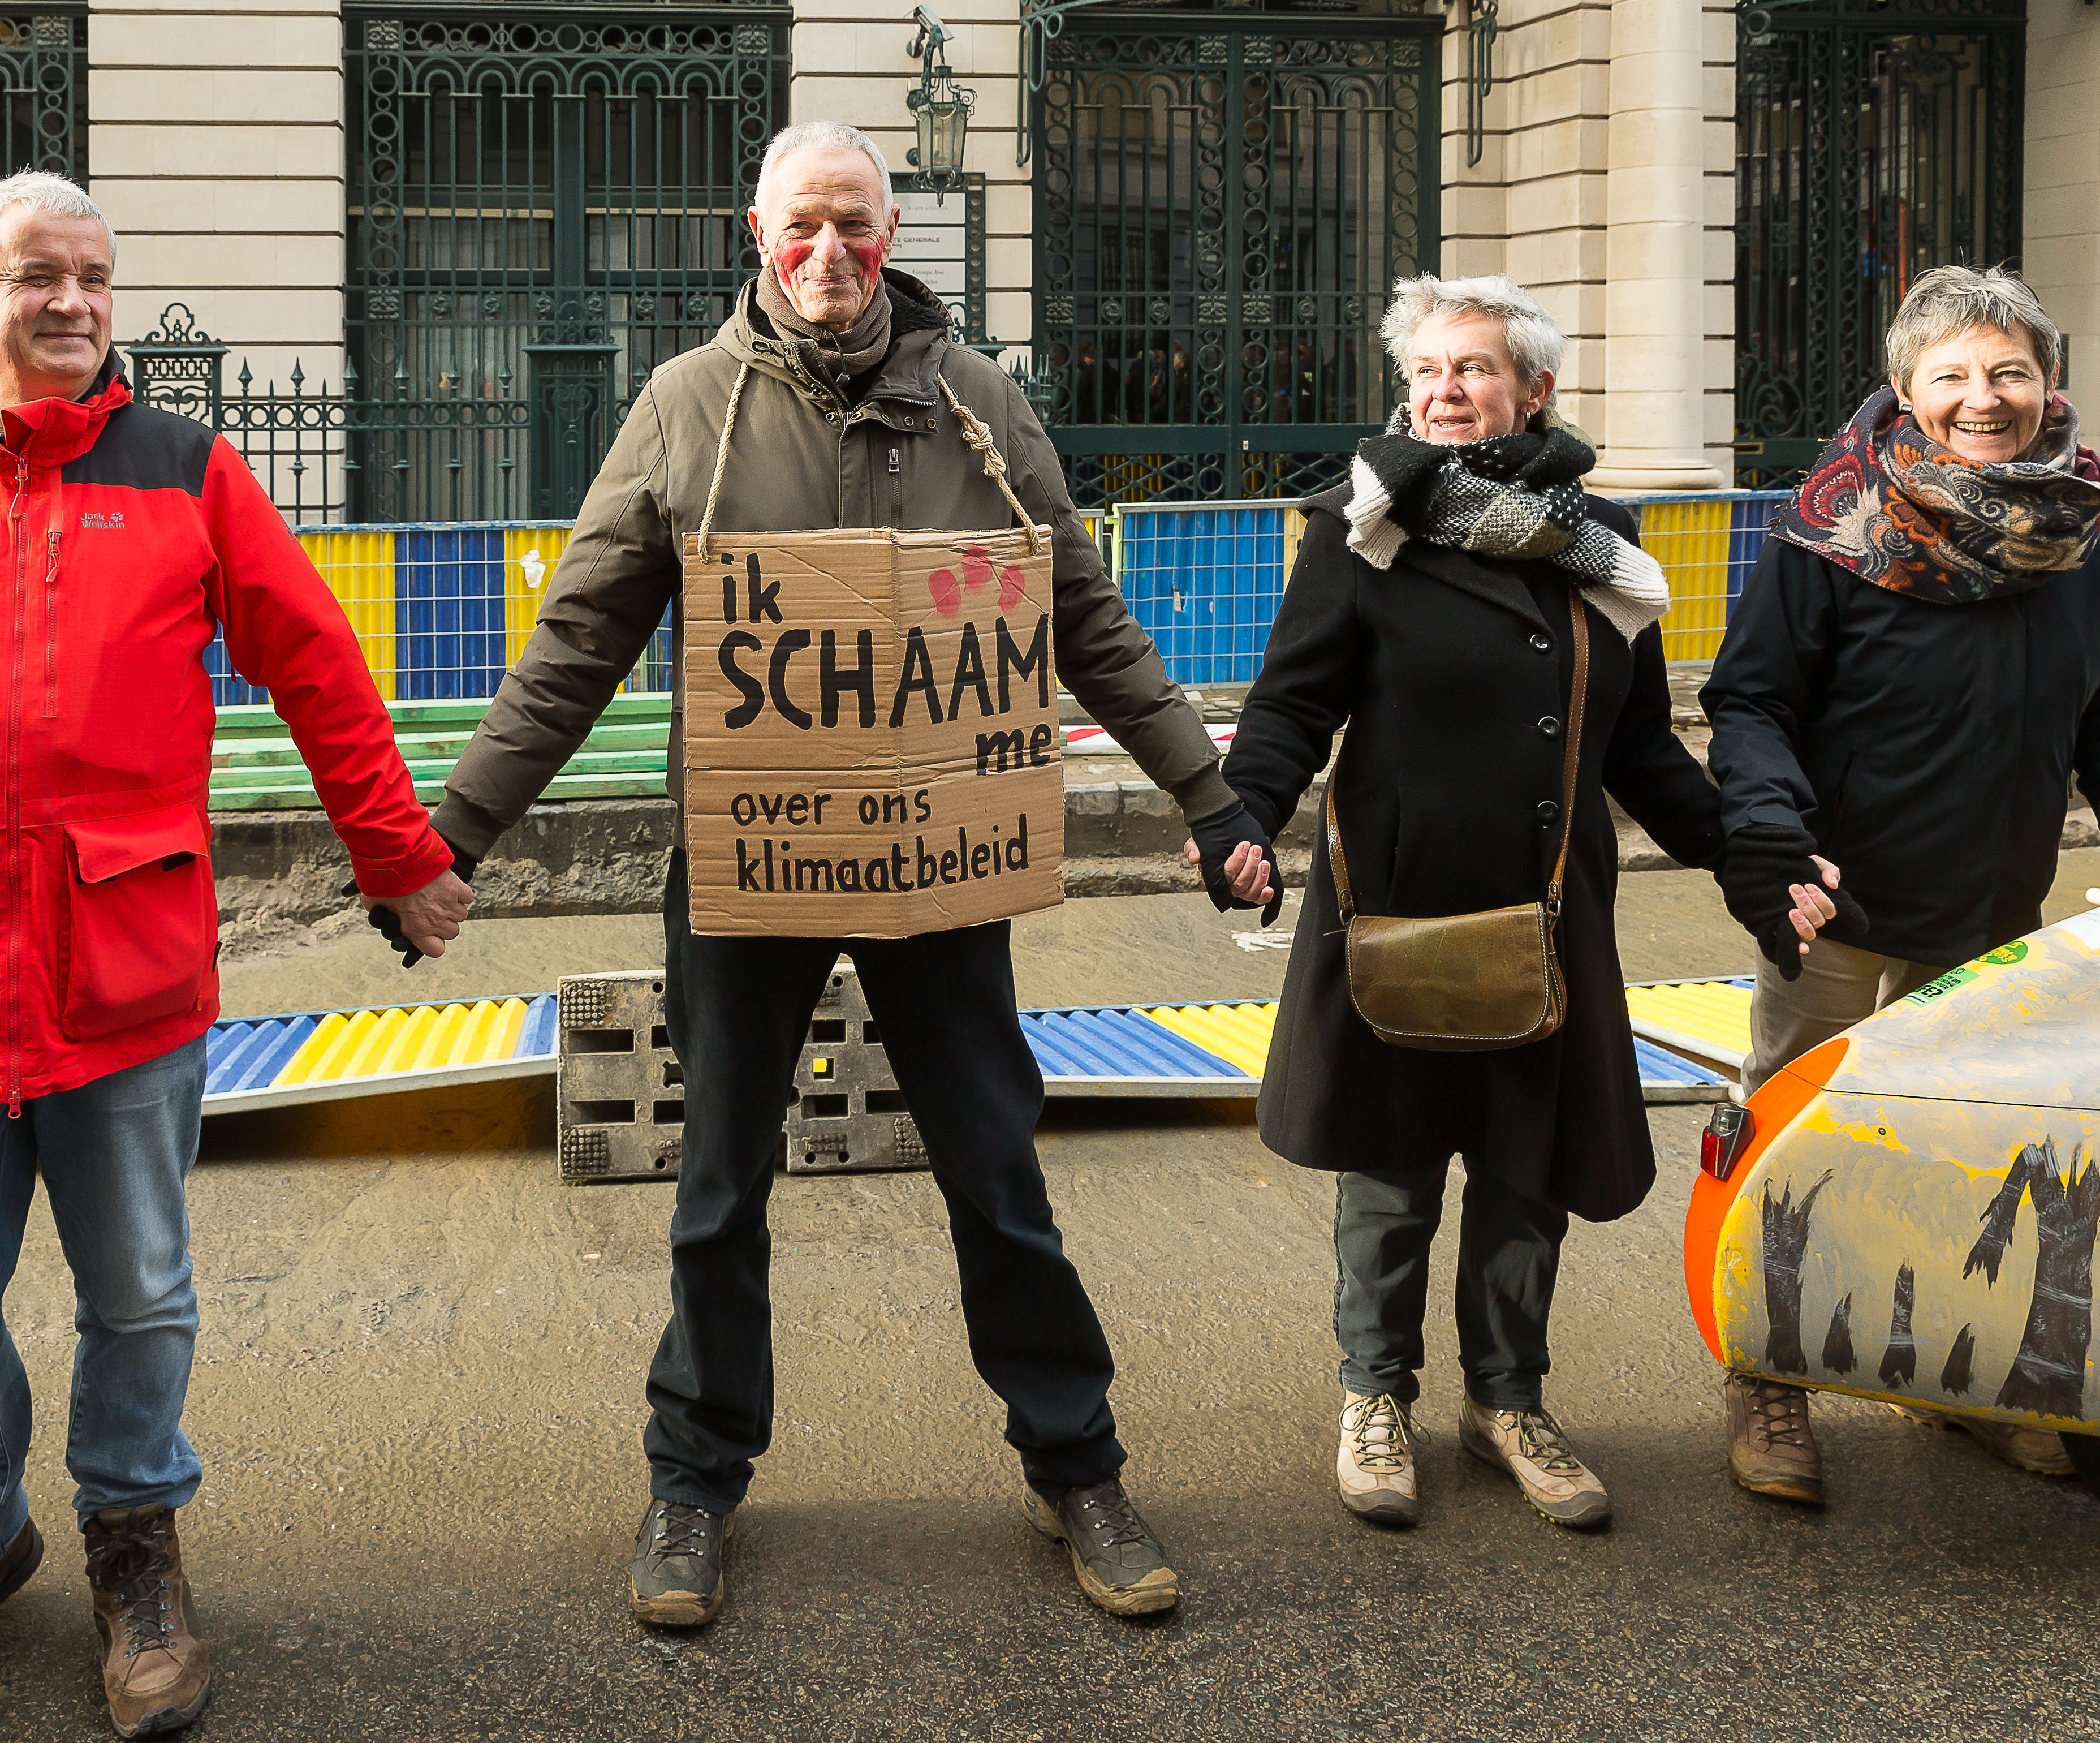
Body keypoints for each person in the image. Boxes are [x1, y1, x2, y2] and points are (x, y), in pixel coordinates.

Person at [0, 171, 469, 1737]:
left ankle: (134, 1539)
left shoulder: (186, 468)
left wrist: (400, 854)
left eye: (95, 277)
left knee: (140, 1298)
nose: (73, 302)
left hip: (123, 976)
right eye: (37, 275)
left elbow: (315, 662)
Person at [433, 121, 1235, 1626]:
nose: (828, 254)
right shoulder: (686, 411)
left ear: (888, 235)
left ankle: (1076, 1462)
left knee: (996, 1173)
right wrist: (451, 838)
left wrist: (1207, 795)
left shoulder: (978, 405)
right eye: (802, 226)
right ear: (754, 232)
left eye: (854, 227)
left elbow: (1086, 622)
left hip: (939, 876)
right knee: (718, 1179)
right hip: (749, 870)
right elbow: (571, 655)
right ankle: (692, 1481)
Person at [1208, 273, 1838, 1532]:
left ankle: (1507, 1400)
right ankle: (1374, 1397)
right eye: (1427, 371)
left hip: (1547, 912)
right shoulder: (1361, 527)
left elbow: (1644, 751)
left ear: (1532, 389)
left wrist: (1752, 868)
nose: (1445, 391)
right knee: (1386, 1173)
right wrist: (1240, 815)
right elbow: (1289, 704)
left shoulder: (1598, 546)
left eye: (1473, 369)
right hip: (1393, 906)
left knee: (1522, 1173)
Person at [1705, 264, 2100, 1504]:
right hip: (1836, 901)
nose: (1983, 398)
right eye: (1953, 377)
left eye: (2008, 373)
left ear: (2049, 388)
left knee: (1968, 1156)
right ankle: (1768, 1374)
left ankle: (1959, 1382)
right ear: (1903, 391)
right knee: (1789, 1142)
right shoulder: (1832, 523)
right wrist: (1771, 831)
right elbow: (1751, 701)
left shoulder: (2080, 537)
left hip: (1988, 910)